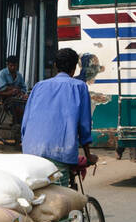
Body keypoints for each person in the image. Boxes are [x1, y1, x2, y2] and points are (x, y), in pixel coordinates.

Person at [21, 47, 96, 187]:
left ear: (55, 66)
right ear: (75, 68)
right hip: (59, 152)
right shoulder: (79, 87)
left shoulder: (38, 86)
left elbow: (25, 122)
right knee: (61, 202)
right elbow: (84, 126)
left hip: (31, 151)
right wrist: (88, 155)